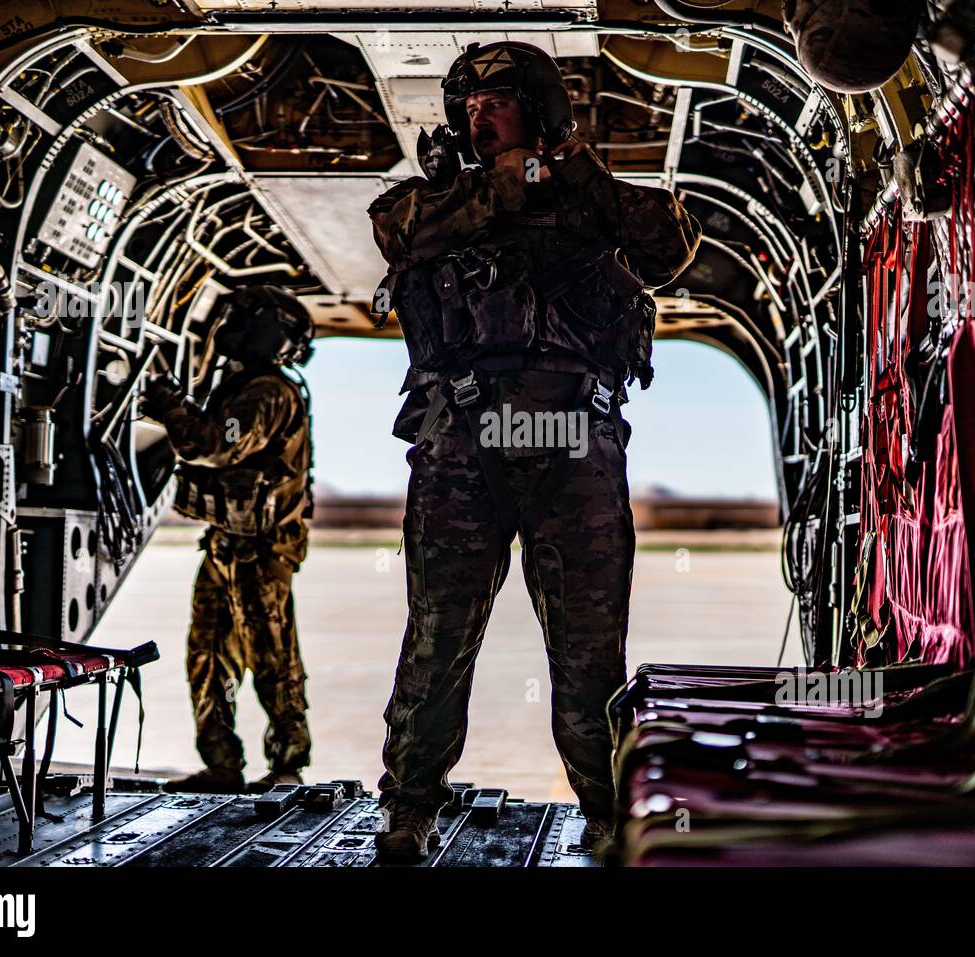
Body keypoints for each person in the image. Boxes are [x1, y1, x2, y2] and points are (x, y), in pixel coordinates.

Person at [367, 41, 700, 861]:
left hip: (572, 441)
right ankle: (409, 806)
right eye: (470, 106)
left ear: (541, 108)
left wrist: (577, 174)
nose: (479, 117)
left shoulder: (593, 202)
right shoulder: (438, 203)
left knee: (589, 651)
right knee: (438, 636)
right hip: (463, 441)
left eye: (499, 102)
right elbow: (395, 229)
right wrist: (501, 187)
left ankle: (607, 806)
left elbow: (669, 245)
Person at [141, 284, 316, 795]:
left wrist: (171, 409)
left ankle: (288, 764)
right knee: (207, 655)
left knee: (272, 657)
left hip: (261, 551)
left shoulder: (269, 394)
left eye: (243, 316)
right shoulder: (241, 388)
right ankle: (221, 764)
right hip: (225, 544)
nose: (230, 326)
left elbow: (215, 446)